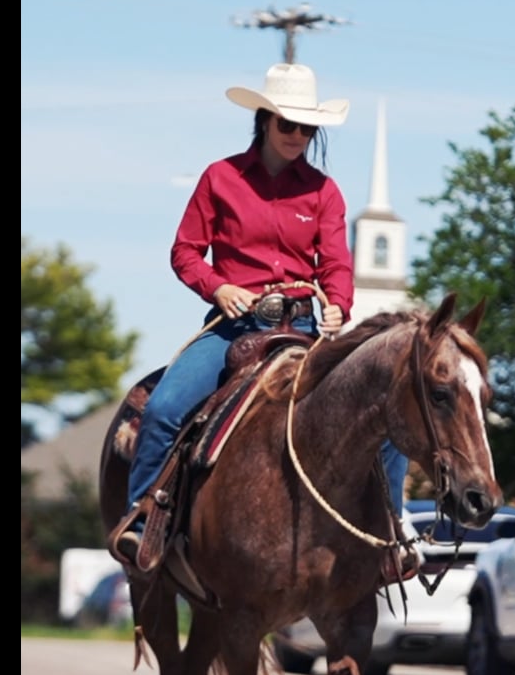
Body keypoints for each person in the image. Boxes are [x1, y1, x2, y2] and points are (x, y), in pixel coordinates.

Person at [116, 62, 414, 584]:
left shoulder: (324, 192)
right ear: (265, 120)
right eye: (287, 125)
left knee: (384, 412)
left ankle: (389, 533)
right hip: (232, 330)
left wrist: (339, 303)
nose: (298, 136)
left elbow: (336, 264)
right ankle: (144, 518)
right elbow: (185, 251)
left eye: (307, 128)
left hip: (301, 330)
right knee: (163, 407)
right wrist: (219, 288)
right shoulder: (221, 178)